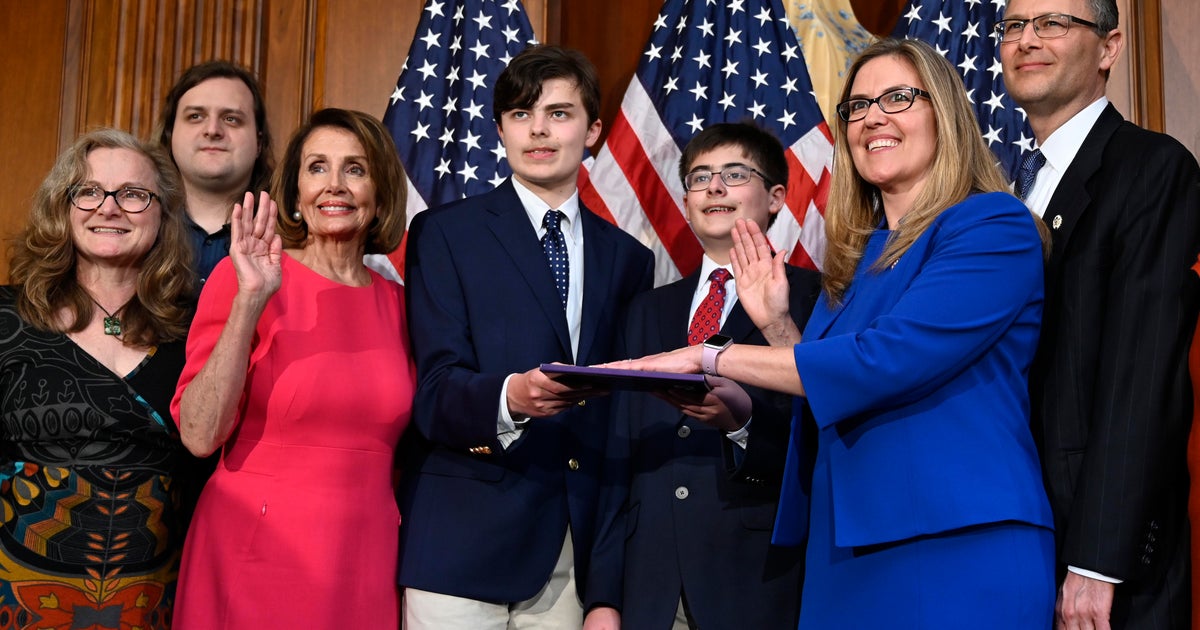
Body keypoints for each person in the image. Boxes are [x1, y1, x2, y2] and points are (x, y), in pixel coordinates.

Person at [625, 38, 1056, 628]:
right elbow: (829, 386)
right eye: (856, 107)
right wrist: (777, 322)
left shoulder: (992, 223)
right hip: (843, 543)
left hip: (955, 537)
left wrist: (708, 356)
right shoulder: (858, 258)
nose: (872, 117)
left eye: (898, 98)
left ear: (946, 114)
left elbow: (884, 362)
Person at [399, 44, 655, 629]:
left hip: (570, 551)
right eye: (520, 114)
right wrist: (510, 397)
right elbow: (434, 390)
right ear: (501, 130)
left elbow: (620, 421)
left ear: (593, 130)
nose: (538, 130)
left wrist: (608, 584)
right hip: (460, 542)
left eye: (559, 114)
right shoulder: (444, 234)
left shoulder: (629, 260)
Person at [997, 1, 1200, 627]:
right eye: (1013, 27)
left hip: (1096, 563)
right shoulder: (999, 191)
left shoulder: (1152, 167)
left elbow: (1144, 376)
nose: (1027, 41)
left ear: (1109, 48)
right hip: (1008, 531)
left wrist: (1096, 562)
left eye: (1052, 24)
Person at [170, 108, 412, 628]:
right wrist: (250, 301)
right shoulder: (247, 280)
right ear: (296, 192)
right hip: (254, 548)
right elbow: (198, 433)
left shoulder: (404, 306)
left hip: (366, 555)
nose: (335, 186)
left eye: (356, 169)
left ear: (380, 189)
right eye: (317, 167)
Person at [589, 122, 819, 629]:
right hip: (648, 586)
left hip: (756, 581)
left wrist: (740, 427)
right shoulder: (646, 310)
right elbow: (617, 454)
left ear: (777, 196)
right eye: (699, 177)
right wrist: (602, 597)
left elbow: (823, 440)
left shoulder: (815, 299)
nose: (714, 188)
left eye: (734, 174)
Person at [0, 129, 194, 627]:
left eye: (133, 194)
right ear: (62, 209)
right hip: (16, 599)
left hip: (152, 602)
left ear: (163, 215)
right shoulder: (7, 318)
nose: (108, 208)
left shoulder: (194, 327)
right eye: (88, 191)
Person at [156, 59, 273, 286]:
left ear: (259, 142)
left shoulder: (291, 236)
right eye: (195, 116)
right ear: (170, 136)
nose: (212, 130)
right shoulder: (133, 224)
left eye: (231, 119)